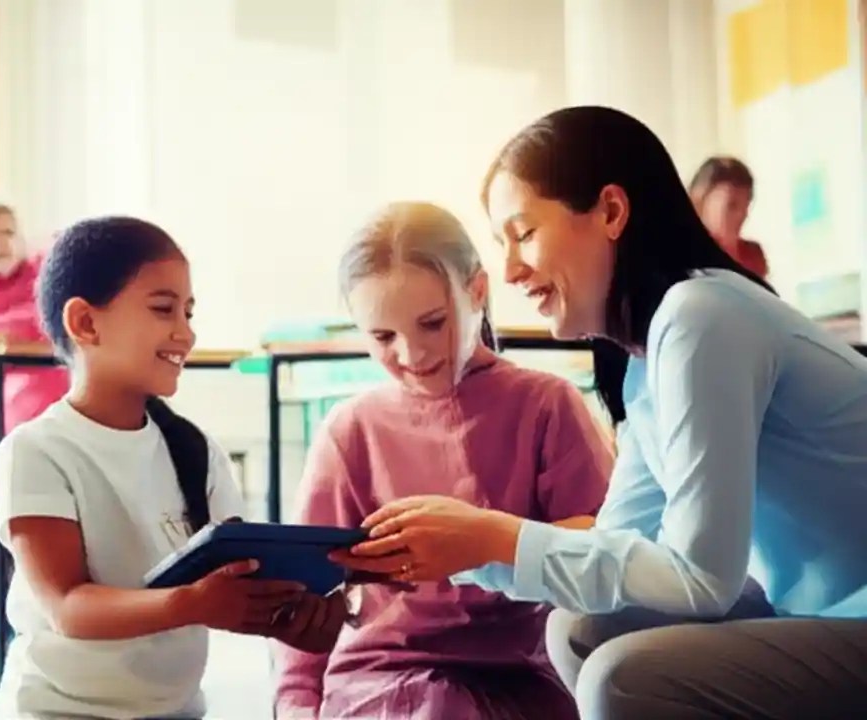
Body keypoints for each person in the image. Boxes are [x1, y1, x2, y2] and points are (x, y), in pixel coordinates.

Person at [333, 106, 867, 719]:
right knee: (579, 628)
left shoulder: (702, 315)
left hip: (853, 609)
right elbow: (623, 542)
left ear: (611, 212)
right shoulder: (645, 363)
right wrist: (472, 548)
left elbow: (700, 579)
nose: (510, 270)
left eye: (523, 233)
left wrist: (492, 536)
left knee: (623, 678)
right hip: (815, 607)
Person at [0, 216, 346, 719]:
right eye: (163, 309)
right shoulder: (36, 451)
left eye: (188, 312)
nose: (186, 332)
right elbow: (68, 606)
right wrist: (192, 604)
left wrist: (296, 617)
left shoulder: (196, 451)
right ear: (85, 323)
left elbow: (236, 586)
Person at [274, 202, 612, 719]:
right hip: (380, 679)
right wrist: (295, 701)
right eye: (383, 337)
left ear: (477, 292)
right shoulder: (351, 429)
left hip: (523, 675)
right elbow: (306, 589)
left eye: (433, 323)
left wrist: (487, 542)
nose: (412, 355)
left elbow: (606, 549)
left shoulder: (547, 405)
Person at [0, 199, 70, 435]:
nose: (2, 244)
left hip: (59, 372)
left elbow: (55, 312)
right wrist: (30, 323)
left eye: (9, 233)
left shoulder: (39, 267)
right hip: (11, 382)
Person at [688, 155, 768, 279]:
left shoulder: (753, 255)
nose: (742, 215)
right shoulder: (687, 255)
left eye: (746, 205)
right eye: (732, 206)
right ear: (701, 202)